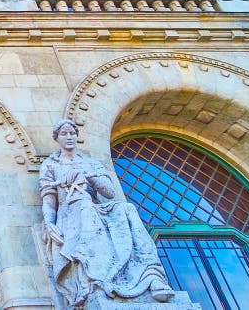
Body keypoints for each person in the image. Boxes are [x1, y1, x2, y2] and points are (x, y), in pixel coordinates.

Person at [40, 119, 173, 308]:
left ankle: (151, 275)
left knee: (127, 208)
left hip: (95, 207)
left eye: (72, 133)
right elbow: (49, 198)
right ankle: (99, 279)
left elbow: (109, 193)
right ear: (57, 138)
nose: (69, 137)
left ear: (77, 136)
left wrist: (89, 176)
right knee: (84, 207)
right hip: (70, 211)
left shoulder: (90, 163)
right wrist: (49, 222)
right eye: (64, 133)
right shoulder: (50, 165)